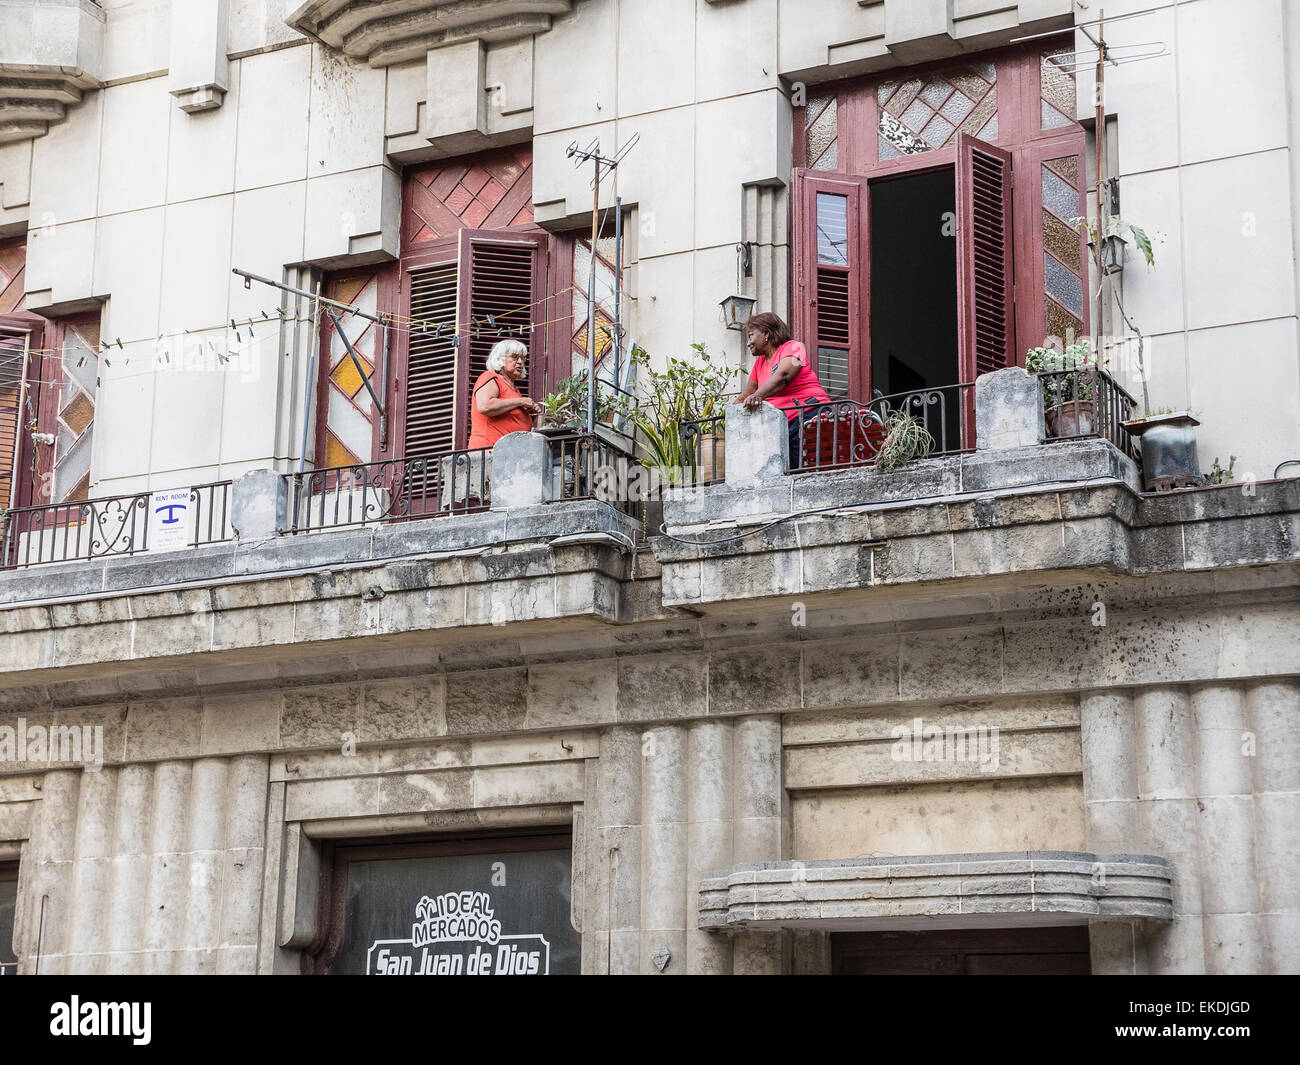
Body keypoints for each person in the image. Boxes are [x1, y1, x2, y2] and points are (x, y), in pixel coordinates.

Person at [736, 312, 830, 469]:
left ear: (766, 333)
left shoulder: (795, 348)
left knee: (802, 471)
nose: (748, 343)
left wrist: (758, 395)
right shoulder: (760, 363)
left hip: (810, 415)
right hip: (782, 424)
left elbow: (784, 375)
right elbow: (746, 395)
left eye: (751, 335)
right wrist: (728, 416)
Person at [467, 339, 541, 449]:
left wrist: (535, 414)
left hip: (509, 456)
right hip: (489, 451)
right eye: (515, 357)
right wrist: (520, 401)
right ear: (500, 358)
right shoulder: (490, 377)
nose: (520, 361)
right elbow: (485, 406)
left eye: (523, 358)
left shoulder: (515, 389)